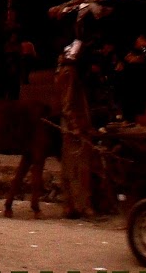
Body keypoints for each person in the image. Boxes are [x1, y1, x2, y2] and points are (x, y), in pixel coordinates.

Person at [55, 41, 97, 219]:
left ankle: (70, 204)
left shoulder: (66, 73)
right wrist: (76, 127)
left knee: (72, 167)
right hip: (74, 128)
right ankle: (80, 205)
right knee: (79, 169)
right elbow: (68, 105)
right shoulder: (69, 74)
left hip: (74, 127)